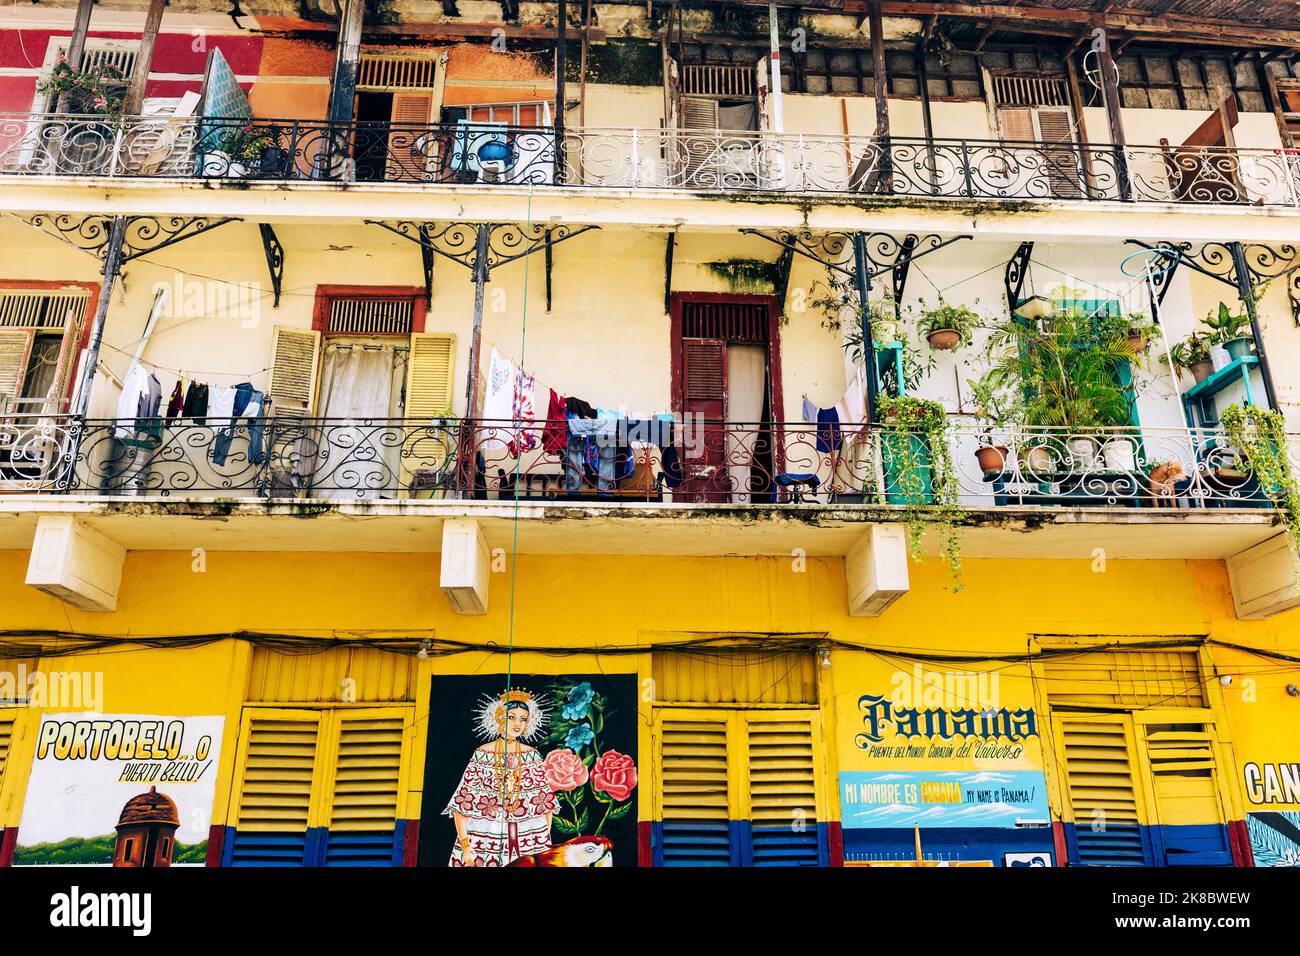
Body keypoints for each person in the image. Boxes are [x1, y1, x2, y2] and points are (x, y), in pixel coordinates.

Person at [444, 688, 554, 866]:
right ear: (499, 718)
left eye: (523, 719)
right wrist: (465, 846)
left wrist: (542, 844)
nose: (517, 723)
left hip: (527, 840)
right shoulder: (483, 753)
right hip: (485, 839)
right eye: (511, 717)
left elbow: (545, 806)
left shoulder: (531, 755)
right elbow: (461, 806)